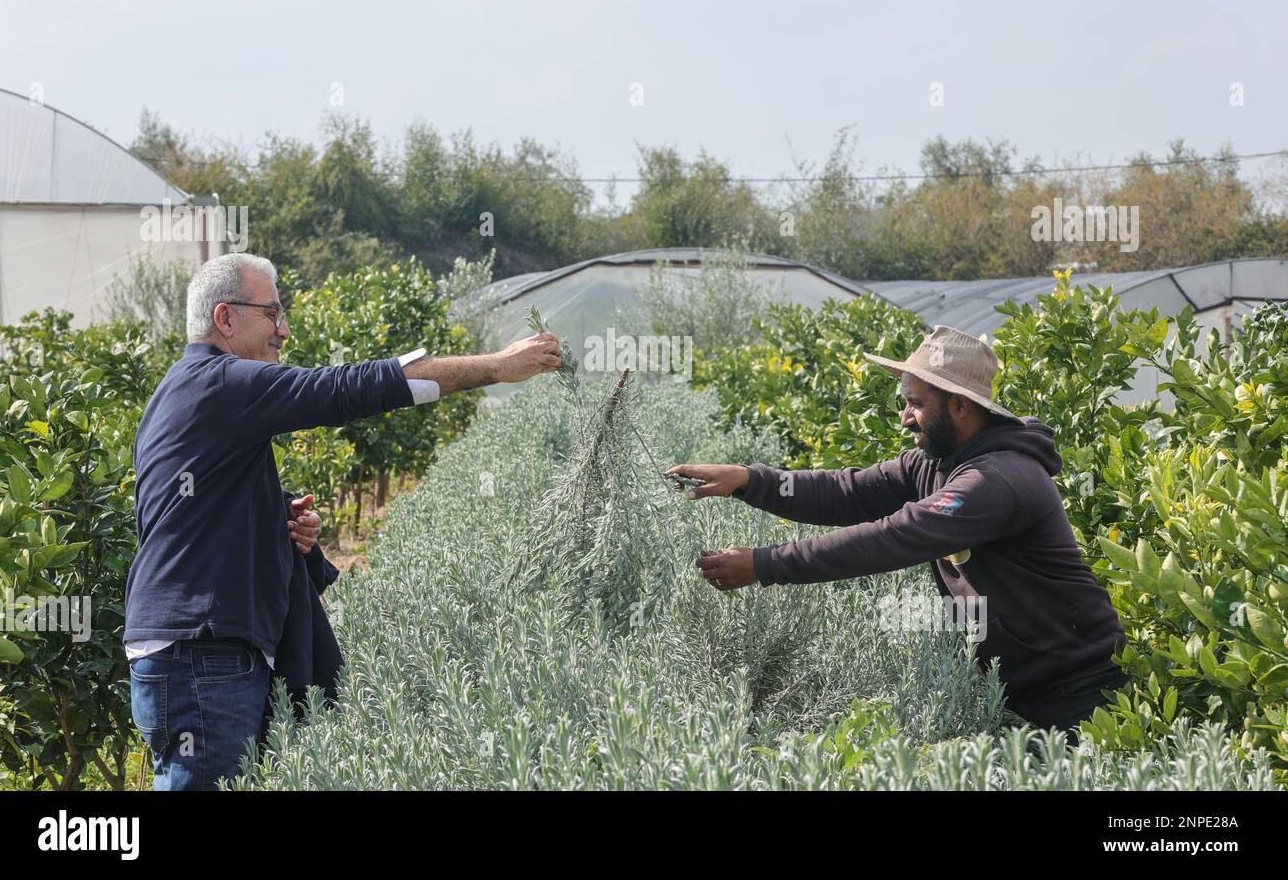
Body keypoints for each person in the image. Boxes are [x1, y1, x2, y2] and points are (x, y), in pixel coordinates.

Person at [125, 253, 562, 790]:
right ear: (225, 319)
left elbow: (185, 508)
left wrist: (277, 522)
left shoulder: (183, 388)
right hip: (202, 653)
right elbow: (346, 388)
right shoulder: (222, 383)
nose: (284, 331)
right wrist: (496, 366)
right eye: (272, 313)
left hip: (194, 649)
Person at [667, 324, 1128, 744]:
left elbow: (894, 536)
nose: (905, 417)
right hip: (1011, 688)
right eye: (903, 402)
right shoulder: (933, 463)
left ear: (960, 406)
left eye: (917, 404)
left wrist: (763, 565)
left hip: (1075, 692)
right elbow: (846, 491)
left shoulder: (998, 479)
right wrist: (750, 479)